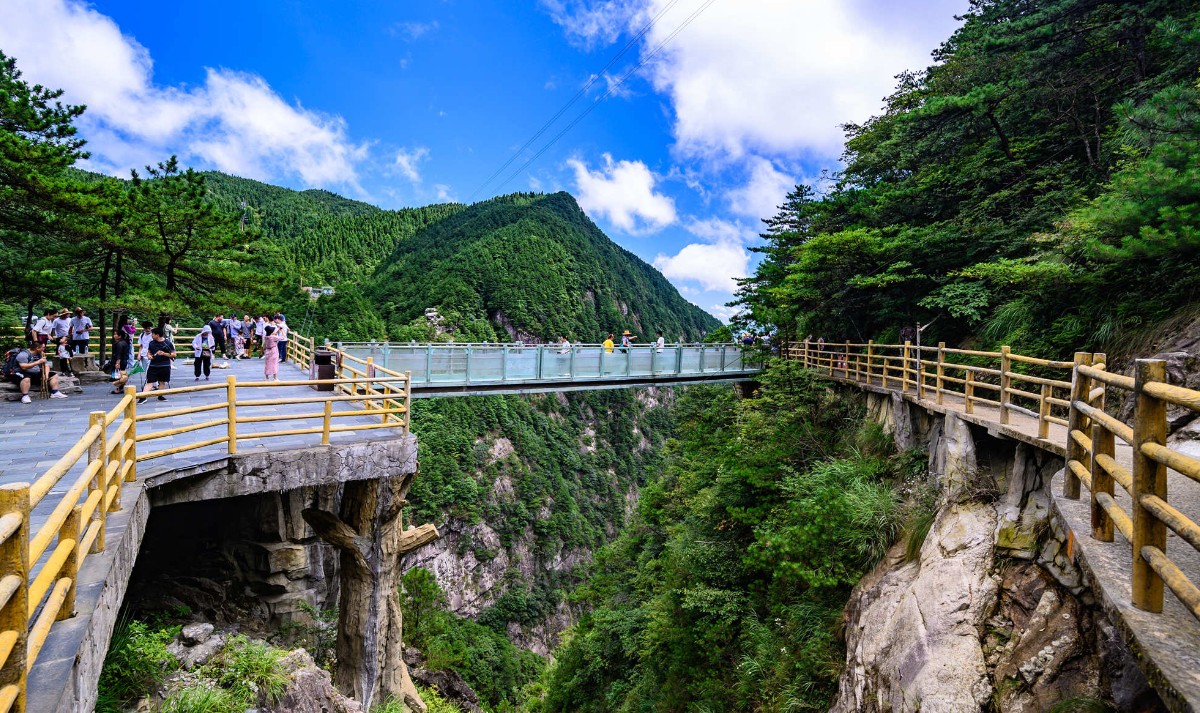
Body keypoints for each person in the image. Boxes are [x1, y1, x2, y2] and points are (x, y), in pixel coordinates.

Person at [137, 328, 175, 404]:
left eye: (153, 334)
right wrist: (149, 356)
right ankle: (143, 397)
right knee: (149, 381)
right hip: (153, 365)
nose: (151, 335)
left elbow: (174, 354)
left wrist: (164, 354)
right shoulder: (151, 343)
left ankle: (160, 396)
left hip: (164, 365)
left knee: (162, 382)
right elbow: (149, 352)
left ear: (157, 335)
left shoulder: (168, 343)